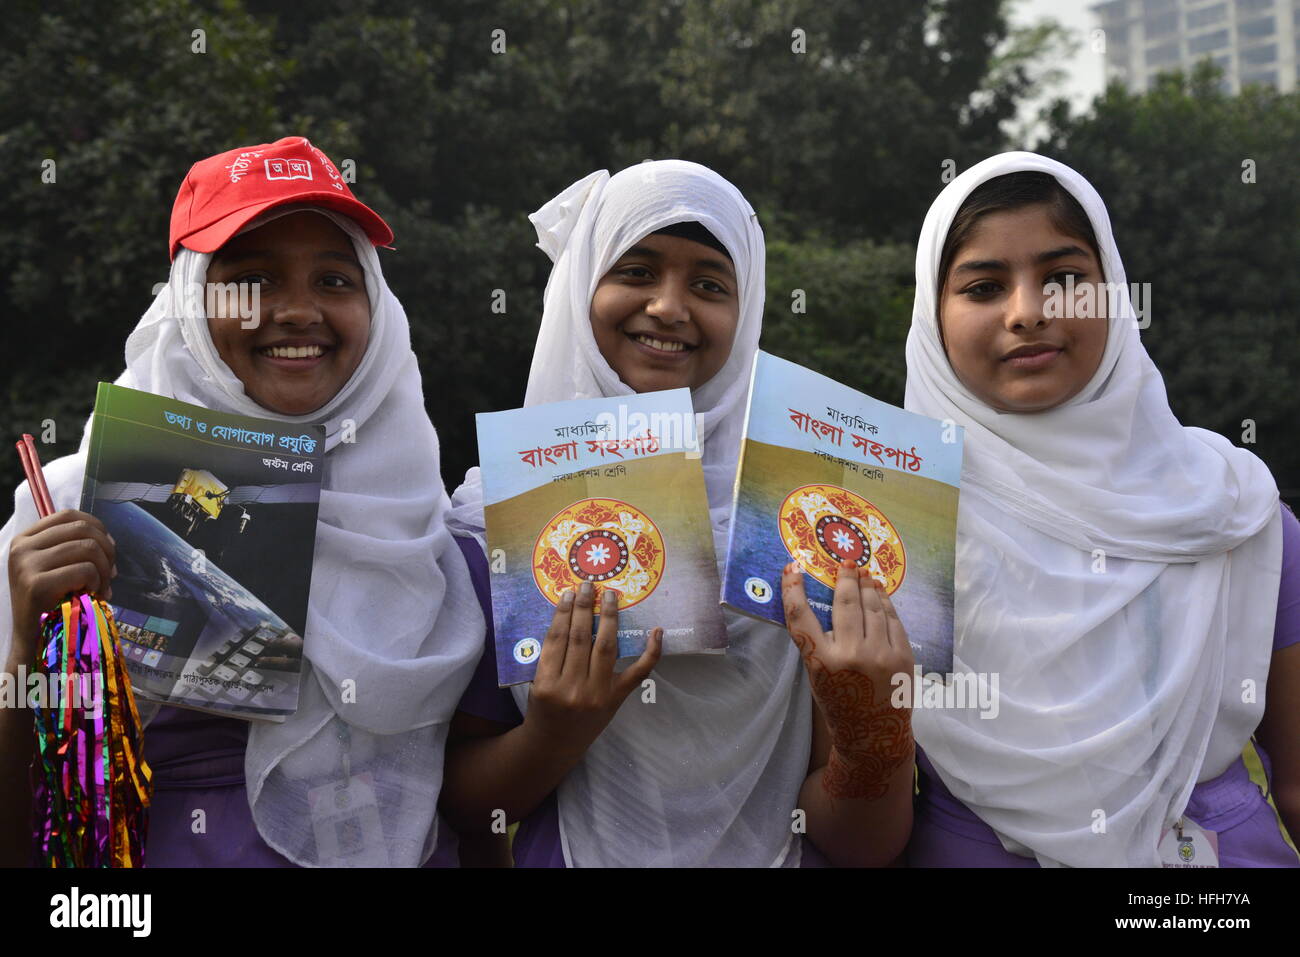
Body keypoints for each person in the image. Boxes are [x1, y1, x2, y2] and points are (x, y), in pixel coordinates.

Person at [0, 136, 485, 867]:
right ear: (191, 303)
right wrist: (29, 653)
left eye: (334, 279)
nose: (297, 311)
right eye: (250, 281)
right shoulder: (72, 510)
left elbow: (476, 805)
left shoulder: (421, 520)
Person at [442, 160, 914, 867]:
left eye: (709, 284)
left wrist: (873, 735)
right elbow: (463, 808)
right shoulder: (493, 523)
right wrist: (553, 735)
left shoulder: (806, 519)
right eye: (635, 270)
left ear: (746, 308)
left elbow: (861, 845)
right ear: (580, 286)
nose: (668, 306)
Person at [902, 150, 1299, 867]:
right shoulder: (893, 525)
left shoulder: (1237, 510)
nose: (1028, 313)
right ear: (931, 319)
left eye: (1063, 279)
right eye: (985, 285)